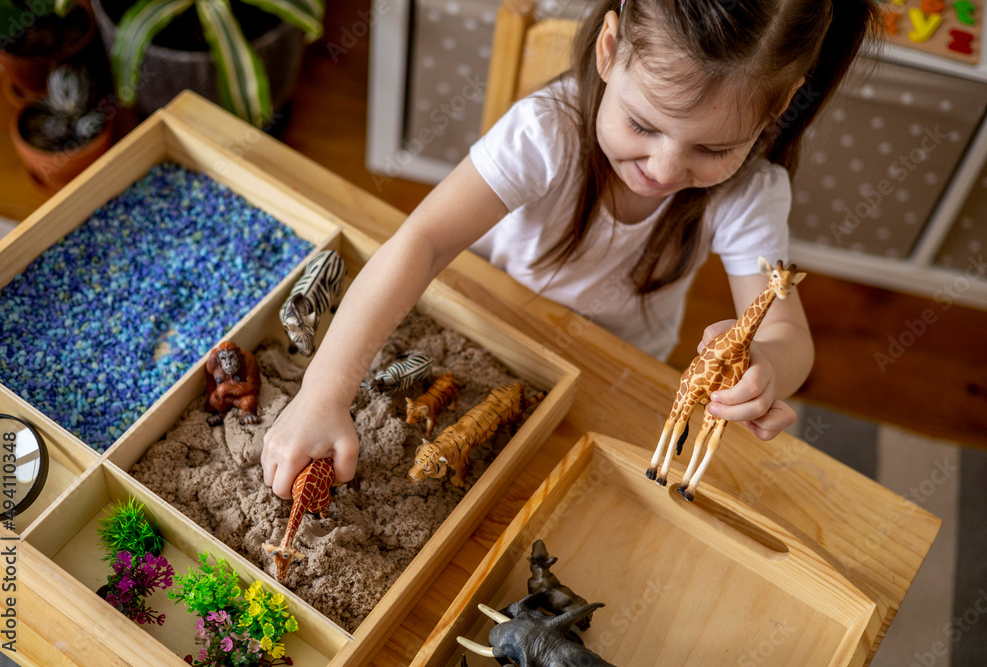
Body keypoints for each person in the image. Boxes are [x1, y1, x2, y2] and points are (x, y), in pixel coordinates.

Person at [261, 0, 882, 497]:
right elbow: (420, 243)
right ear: (610, 50)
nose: (664, 169)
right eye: (642, 125)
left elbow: (788, 335)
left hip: (610, 369)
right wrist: (324, 392)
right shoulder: (544, 133)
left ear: (780, 104)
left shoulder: (751, 191)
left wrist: (768, 369)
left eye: (712, 149)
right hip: (488, 324)